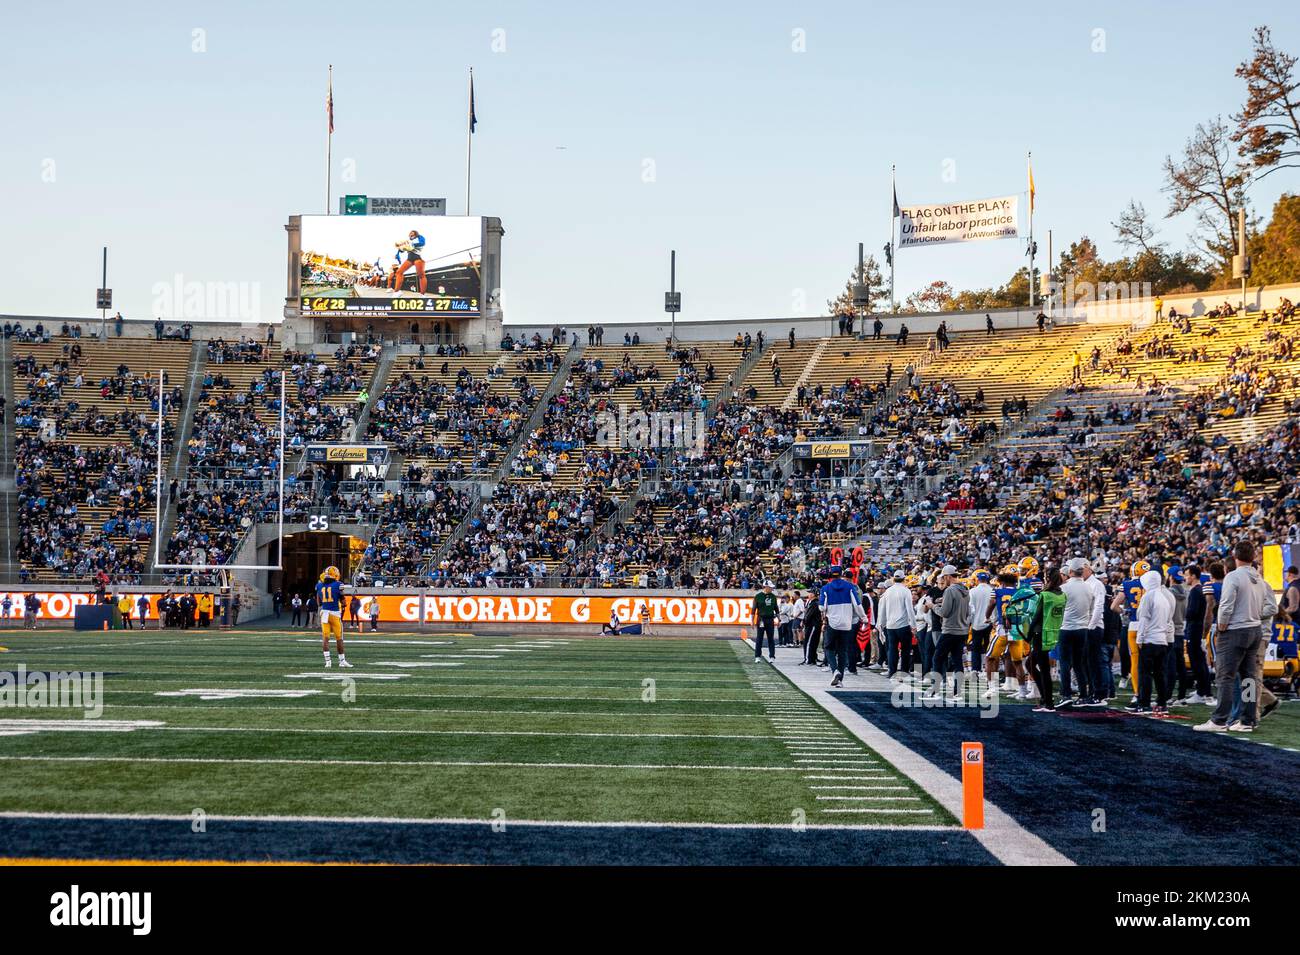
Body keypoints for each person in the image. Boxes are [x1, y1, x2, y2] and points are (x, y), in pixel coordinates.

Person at [1196, 542, 1271, 732]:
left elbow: (1226, 604)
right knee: (1249, 678)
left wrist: (1221, 626)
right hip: (1255, 629)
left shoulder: (1234, 576)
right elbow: (1264, 607)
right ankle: (1247, 721)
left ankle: (1219, 720)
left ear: (1236, 556)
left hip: (1236, 630)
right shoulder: (1259, 578)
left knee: (1226, 676)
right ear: (1253, 556)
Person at [1127, 569, 1175, 714]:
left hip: (1150, 640)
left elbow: (1144, 619)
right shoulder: (1164, 597)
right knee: (1160, 674)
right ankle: (1162, 703)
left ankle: (1144, 703)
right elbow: (1168, 622)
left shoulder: (1149, 596)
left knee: (1145, 673)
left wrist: (1140, 638)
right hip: (1162, 640)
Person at [1026, 567, 1065, 712]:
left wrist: (1029, 634)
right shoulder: (1062, 595)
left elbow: (1037, 617)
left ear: (1047, 579)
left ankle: (1048, 703)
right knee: (1031, 664)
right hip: (1052, 632)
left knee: (1043, 668)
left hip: (1040, 633)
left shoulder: (1045, 595)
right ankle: (1044, 697)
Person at [820, 567, 868, 686]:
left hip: (833, 623)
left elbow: (822, 607)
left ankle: (835, 670)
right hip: (847, 624)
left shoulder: (825, 588)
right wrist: (864, 618)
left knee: (829, 648)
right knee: (843, 651)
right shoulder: (850, 587)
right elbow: (857, 604)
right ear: (841, 574)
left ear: (831, 574)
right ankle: (840, 680)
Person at [1058, 558, 1096, 706]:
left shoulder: (1064, 588)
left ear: (1070, 571)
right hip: (1082, 629)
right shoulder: (1088, 587)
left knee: (1065, 663)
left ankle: (1066, 694)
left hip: (1066, 628)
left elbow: (1058, 609)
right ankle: (1084, 695)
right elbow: (1091, 610)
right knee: (1079, 664)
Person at [930, 566, 971, 700]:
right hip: (962, 630)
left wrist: (933, 606)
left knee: (937, 658)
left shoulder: (949, 590)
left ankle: (935, 691)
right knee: (957, 661)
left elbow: (944, 613)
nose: (943, 580)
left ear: (947, 576)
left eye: (943, 577)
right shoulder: (965, 590)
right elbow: (967, 613)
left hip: (949, 630)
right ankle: (957, 693)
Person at [879, 570, 916, 679]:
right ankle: (904, 672)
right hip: (903, 625)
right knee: (905, 649)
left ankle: (892, 672)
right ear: (904, 579)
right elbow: (910, 609)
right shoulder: (906, 591)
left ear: (893, 579)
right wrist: (913, 625)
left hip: (890, 625)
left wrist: (882, 624)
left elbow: (883, 609)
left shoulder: (888, 591)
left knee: (892, 649)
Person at [316, 566, 351, 668]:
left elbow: (319, 602)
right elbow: (343, 600)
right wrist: (343, 602)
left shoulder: (319, 586)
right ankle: (342, 661)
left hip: (324, 613)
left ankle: (328, 662)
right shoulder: (338, 584)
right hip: (334, 614)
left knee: (325, 638)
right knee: (339, 639)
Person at [967, 570, 995, 676]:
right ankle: (987, 669)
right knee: (989, 647)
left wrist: (970, 621)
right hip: (990, 622)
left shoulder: (973, 591)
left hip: (976, 623)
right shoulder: (992, 590)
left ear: (977, 579)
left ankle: (976, 669)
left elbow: (970, 608)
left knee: (976, 647)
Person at [752, 583, 778, 661]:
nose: (772, 589)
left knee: (771, 638)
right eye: (770, 587)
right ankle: (757, 656)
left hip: (770, 619)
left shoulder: (773, 596)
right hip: (761, 619)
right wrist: (752, 621)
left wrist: (779, 620)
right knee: (759, 638)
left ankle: (772, 656)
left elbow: (776, 609)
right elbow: (753, 609)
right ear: (766, 587)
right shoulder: (758, 596)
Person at [801, 589, 824, 666]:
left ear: (813, 594)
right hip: (816, 625)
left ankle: (808, 660)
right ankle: (813, 659)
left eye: (810, 593)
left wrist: (804, 622)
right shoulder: (816, 603)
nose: (808, 594)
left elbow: (809, 615)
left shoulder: (814, 604)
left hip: (812, 625)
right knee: (814, 643)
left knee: (808, 643)